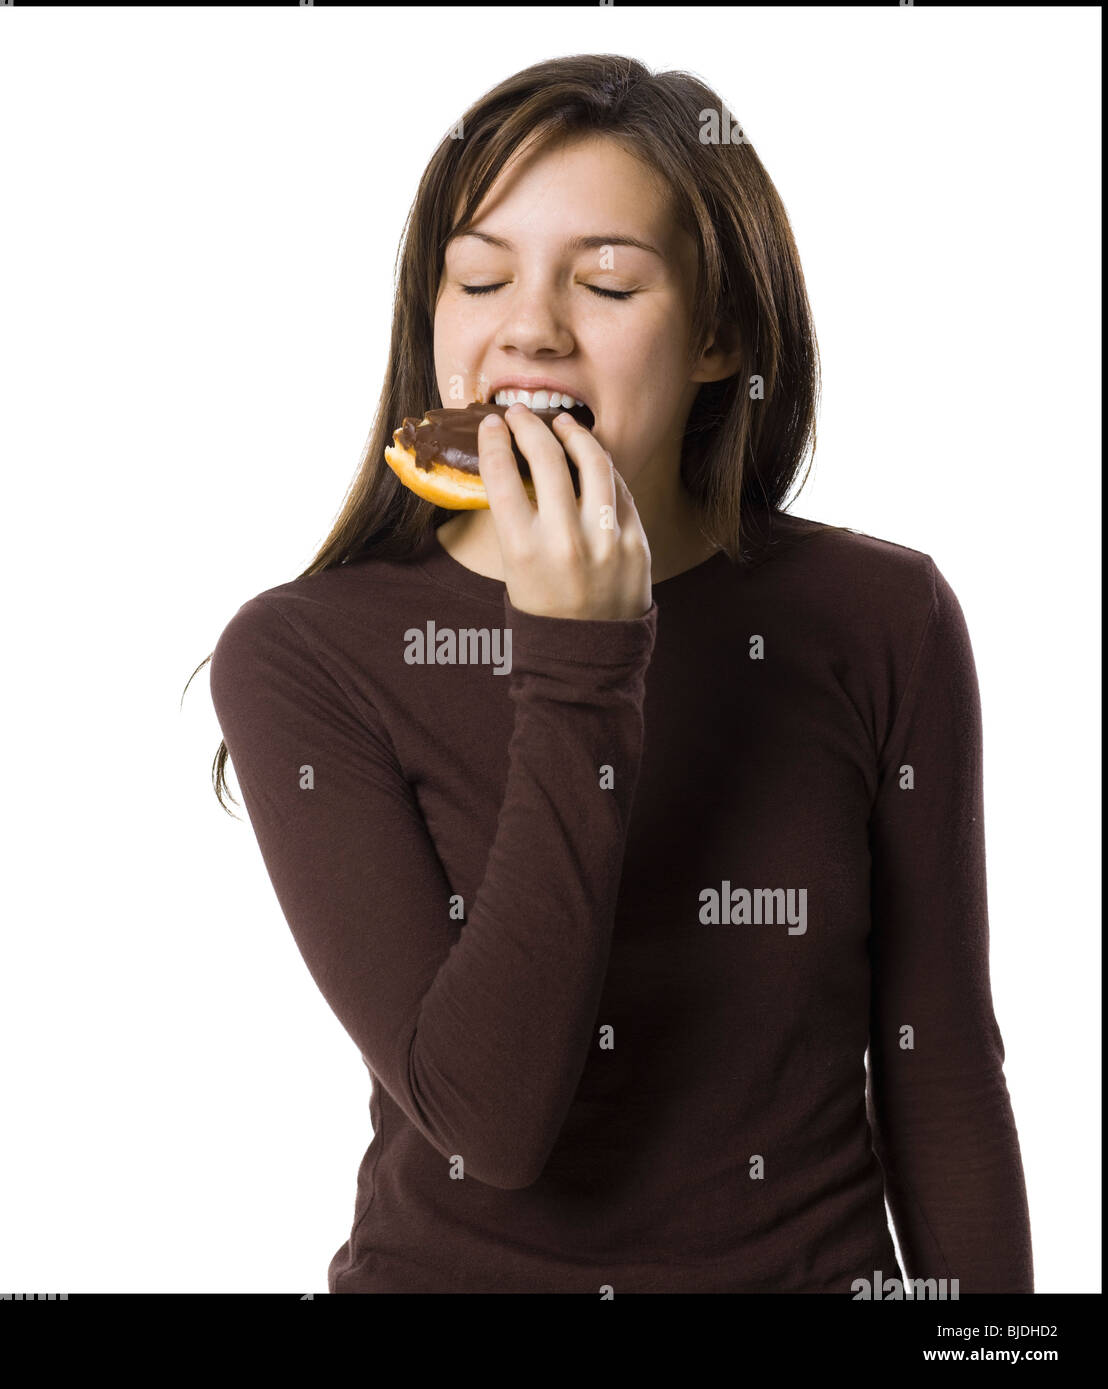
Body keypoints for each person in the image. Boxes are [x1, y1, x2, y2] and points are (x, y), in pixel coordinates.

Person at [195, 55, 1034, 1294]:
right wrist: (579, 661)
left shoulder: (877, 616)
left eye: (604, 281)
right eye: (479, 277)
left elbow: (941, 1062)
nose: (527, 324)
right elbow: (488, 1124)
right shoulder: (306, 655)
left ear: (718, 334)